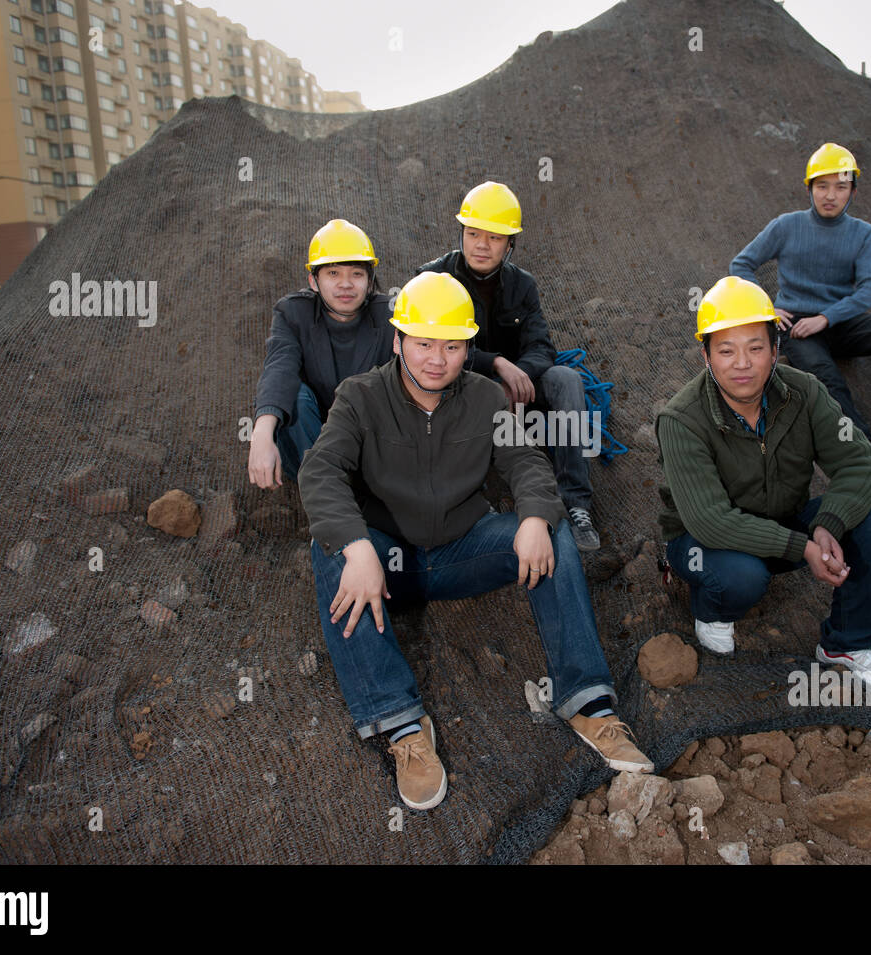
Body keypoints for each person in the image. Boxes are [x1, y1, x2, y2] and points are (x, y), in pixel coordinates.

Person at [298, 271, 652, 811]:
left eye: (452, 345)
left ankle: (588, 703)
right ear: (397, 341)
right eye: (423, 343)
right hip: (388, 564)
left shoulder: (486, 397)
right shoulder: (360, 396)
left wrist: (535, 517)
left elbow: (526, 462)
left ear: (468, 349)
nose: (436, 359)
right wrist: (359, 546)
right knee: (331, 548)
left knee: (551, 528)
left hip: (463, 550)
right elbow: (321, 472)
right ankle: (401, 725)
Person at [656, 276, 871, 695]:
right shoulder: (681, 420)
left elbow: (862, 463)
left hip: (783, 521)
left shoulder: (804, 392)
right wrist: (804, 548)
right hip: (704, 543)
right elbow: (710, 521)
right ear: (706, 356)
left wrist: (827, 524)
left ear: (775, 350)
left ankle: (848, 643)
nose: (742, 363)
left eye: (755, 348)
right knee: (742, 577)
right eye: (726, 350)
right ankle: (711, 609)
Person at [729, 142, 871, 496]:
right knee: (826, 375)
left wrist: (827, 318)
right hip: (796, 326)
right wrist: (767, 308)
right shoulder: (787, 226)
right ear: (810, 188)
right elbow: (741, 265)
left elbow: (869, 290)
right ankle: (870, 454)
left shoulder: (862, 233)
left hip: (839, 321)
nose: (830, 195)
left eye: (840, 187)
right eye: (822, 185)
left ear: (852, 192)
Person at [416, 181, 602, 551]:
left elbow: (541, 346)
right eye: (473, 234)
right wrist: (496, 365)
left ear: (510, 244)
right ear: (461, 234)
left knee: (566, 378)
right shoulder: (433, 280)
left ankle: (576, 503)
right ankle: (469, 504)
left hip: (516, 392)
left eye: (495, 237)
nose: (482, 245)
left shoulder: (522, 285)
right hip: (457, 388)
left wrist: (520, 374)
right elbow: (428, 351)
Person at [249, 219, 395, 489]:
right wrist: (261, 433)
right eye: (333, 273)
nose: (345, 284)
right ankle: (326, 491)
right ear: (314, 281)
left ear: (370, 281)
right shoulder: (294, 314)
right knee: (295, 394)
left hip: (369, 445)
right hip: (308, 444)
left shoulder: (391, 316)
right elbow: (279, 368)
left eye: (356, 274)